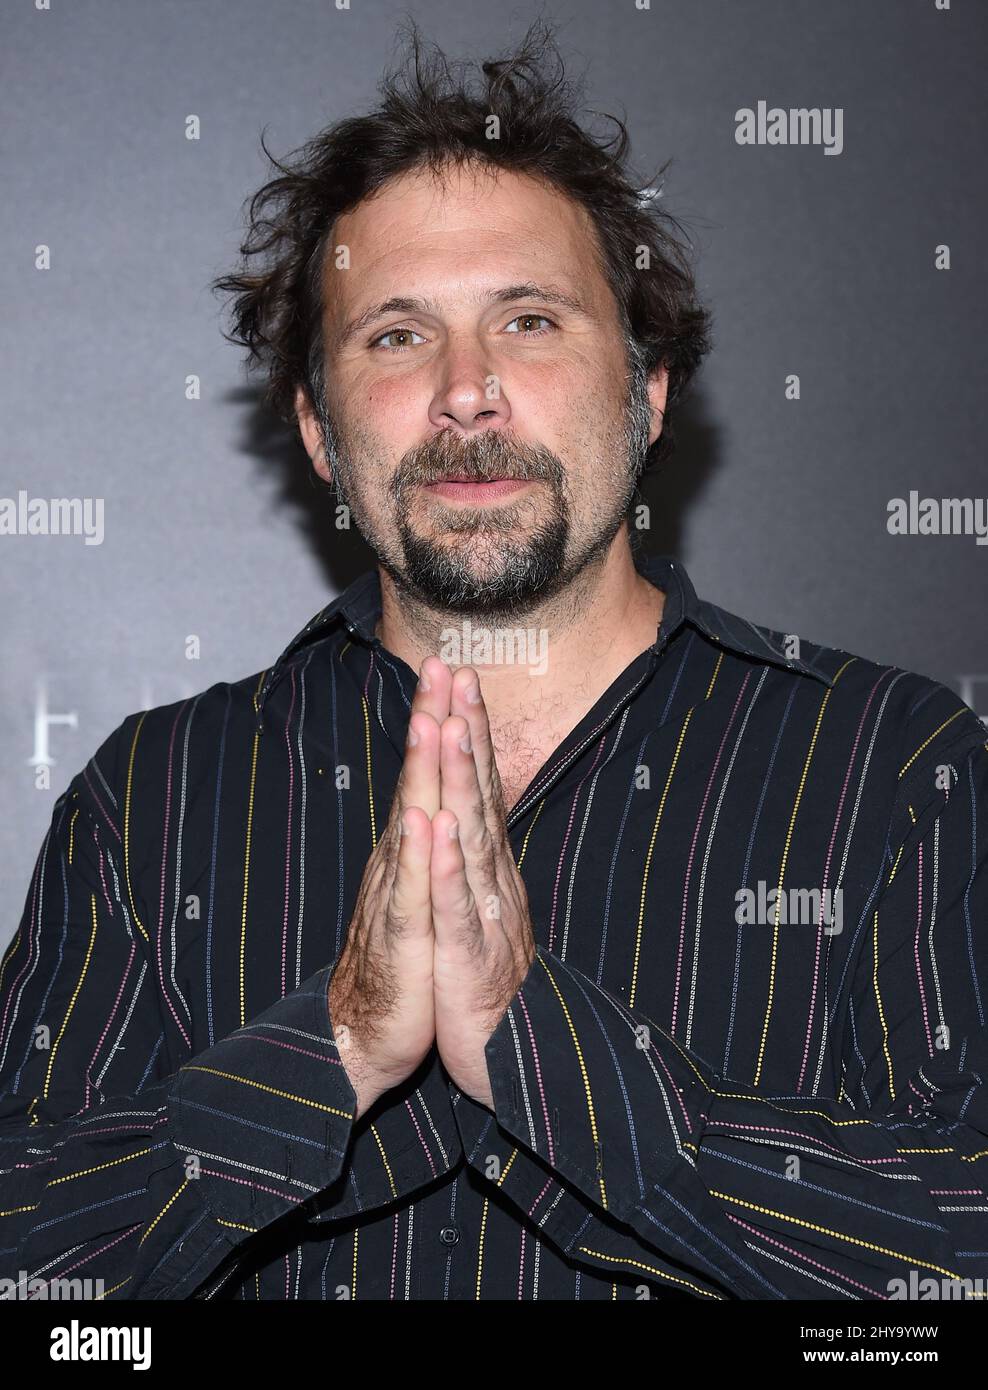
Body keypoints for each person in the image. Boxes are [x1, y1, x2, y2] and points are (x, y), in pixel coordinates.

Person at [2, 19, 986, 1302]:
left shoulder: (899, 770)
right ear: (316, 427)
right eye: (396, 336)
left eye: (528, 320)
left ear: (643, 395)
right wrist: (337, 1051)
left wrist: (541, 1054)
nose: (467, 390)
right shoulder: (153, 798)